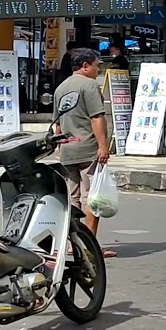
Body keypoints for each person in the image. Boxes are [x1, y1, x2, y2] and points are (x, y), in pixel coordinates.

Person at [53, 48, 115, 257]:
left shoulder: (60, 88)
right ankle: (89, 246)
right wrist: (103, 146)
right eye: (97, 66)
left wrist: (60, 149)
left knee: (73, 199)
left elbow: (57, 125)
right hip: (87, 149)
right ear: (85, 66)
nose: (98, 70)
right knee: (92, 198)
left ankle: (73, 245)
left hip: (67, 149)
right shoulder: (89, 86)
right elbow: (96, 117)